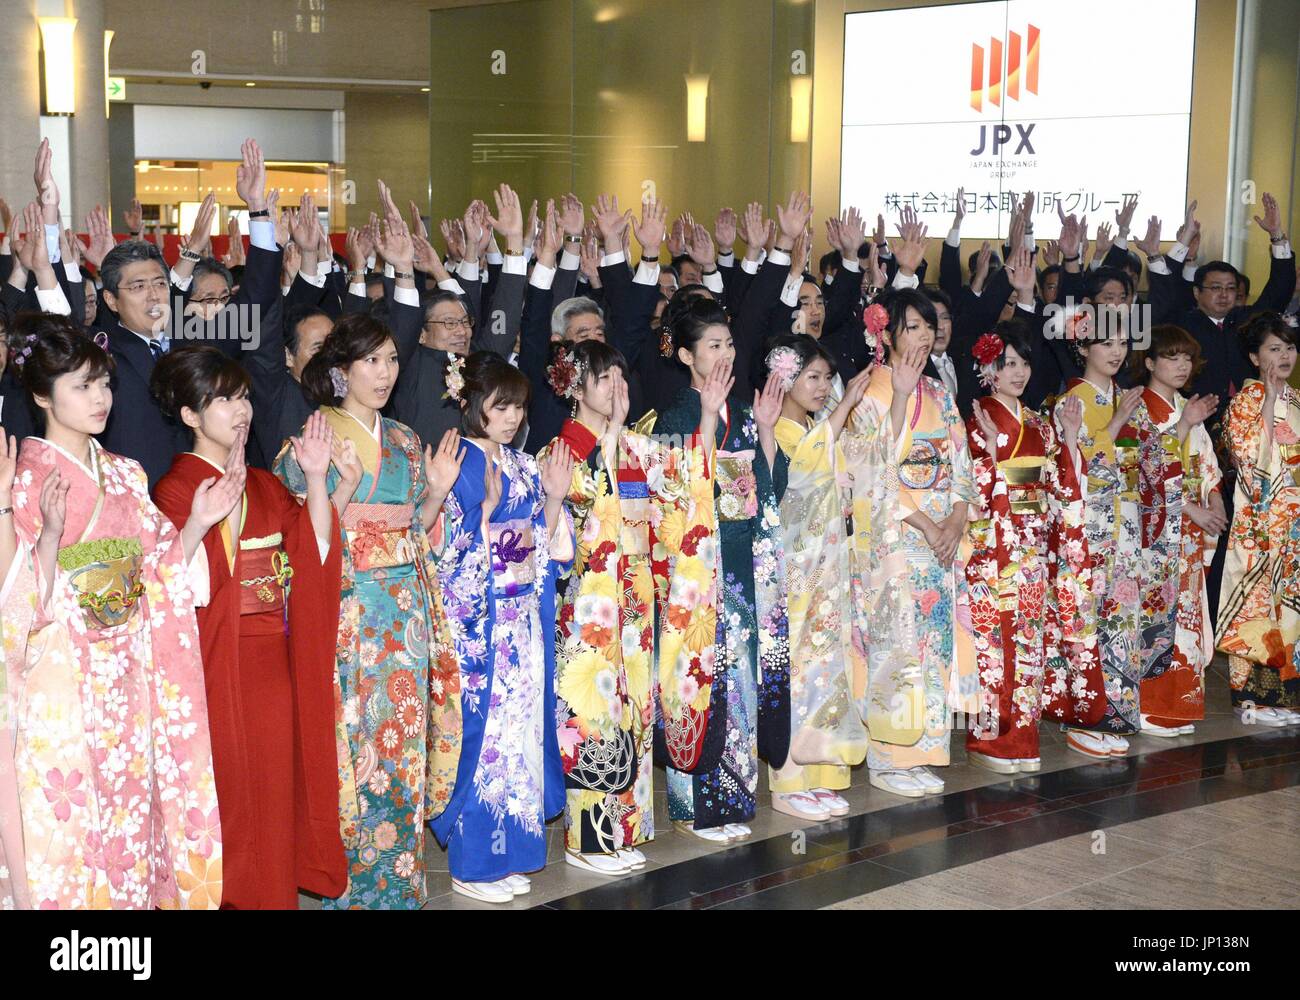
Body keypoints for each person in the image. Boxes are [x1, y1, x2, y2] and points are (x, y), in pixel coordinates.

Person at [0, 315, 237, 909]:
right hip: (64, 679)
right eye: (81, 386)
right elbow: (17, 603)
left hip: (131, 672)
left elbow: (159, 570)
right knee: (73, 817)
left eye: (103, 383)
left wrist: (200, 523)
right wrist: (50, 538)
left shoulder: (127, 473)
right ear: (40, 394)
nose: (100, 397)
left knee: (133, 811)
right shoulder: (22, 481)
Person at [275, 313, 462, 909]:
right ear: (339, 372)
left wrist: (433, 491)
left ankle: (401, 891)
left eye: (391, 361)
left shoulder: (406, 439)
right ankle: (349, 893)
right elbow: (303, 542)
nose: (384, 374)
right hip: (347, 612)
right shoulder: (310, 444)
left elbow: (418, 530)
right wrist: (342, 492)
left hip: (405, 617)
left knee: (403, 748)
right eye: (370, 362)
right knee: (354, 752)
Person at [151, 347, 347, 908]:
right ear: (189, 415)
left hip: (272, 660)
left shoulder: (262, 484)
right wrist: (198, 522)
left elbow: (310, 553)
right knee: (228, 794)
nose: (240, 410)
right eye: (221, 400)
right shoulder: (173, 490)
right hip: (215, 659)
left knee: (272, 791)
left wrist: (314, 477)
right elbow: (165, 583)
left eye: (241, 397)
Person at [544, 340, 714, 874]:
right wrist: (613, 433)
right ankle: (588, 839)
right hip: (589, 607)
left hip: (635, 600)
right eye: (603, 378)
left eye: (621, 374)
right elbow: (582, 516)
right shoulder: (562, 448)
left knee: (634, 711)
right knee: (594, 713)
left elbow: (690, 485)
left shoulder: (640, 446)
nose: (617, 386)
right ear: (576, 388)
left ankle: (623, 829)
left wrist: (708, 415)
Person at [428, 352, 576, 903]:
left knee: (517, 739)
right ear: (469, 404)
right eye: (501, 406)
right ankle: (472, 864)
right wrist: (483, 516)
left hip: (521, 624)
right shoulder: (455, 459)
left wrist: (555, 496)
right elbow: (438, 550)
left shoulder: (522, 464)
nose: (512, 418)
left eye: (519, 407)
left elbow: (546, 547)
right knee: (482, 739)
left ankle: (510, 854)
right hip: (478, 626)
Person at [646, 299, 789, 842]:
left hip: (744, 565)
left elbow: (768, 490)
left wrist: (769, 434)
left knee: (741, 686)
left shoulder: (748, 413)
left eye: (729, 343)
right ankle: (693, 806)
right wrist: (707, 417)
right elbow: (677, 494)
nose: (726, 353)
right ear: (685, 355)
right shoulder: (674, 415)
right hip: (700, 572)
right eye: (713, 345)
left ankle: (732, 799)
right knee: (701, 682)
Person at [842, 289, 978, 798]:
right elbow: (872, 471)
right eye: (914, 326)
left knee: (933, 646)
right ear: (886, 333)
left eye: (930, 325)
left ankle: (922, 749)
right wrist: (927, 524)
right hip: (896, 539)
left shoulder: (941, 392)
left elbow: (960, 461)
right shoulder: (868, 394)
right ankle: (888, 755)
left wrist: (956, 519)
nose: (926, 334)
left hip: (940, 538)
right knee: (894, 646)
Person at [961, 322, 1101, 773]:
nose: (1018, 373)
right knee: (995, 640)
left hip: (1033, 546)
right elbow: (971, 486)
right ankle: (993, 739)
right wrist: (997, 462)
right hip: (995, 544)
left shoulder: (1039, 421)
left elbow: (1061, 484)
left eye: (1023, 363)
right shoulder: (976, 419)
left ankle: (1023, 736)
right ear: (989, 370)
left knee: (1028, 642)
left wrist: (1072, 436)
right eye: (1008, 364)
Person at [760, 336, 870, 820]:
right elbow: (798, 474)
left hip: (826, 568)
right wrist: (844, 407)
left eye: (828, 378)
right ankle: (787, 780)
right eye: (813, 377)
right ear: (784, 379)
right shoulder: (777, 429)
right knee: (796, 670)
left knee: (827, 669)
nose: (824, 387)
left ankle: (821, 771)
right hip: (792, 570)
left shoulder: (813, 427)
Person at [1055, 316, 1156, 756]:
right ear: (1083, 349)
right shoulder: (1070, 401)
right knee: (1090, 620)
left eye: (1122, 343)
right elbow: (1076, 467)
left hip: (1126, 524)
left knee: (1123, 621)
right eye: (1105, 343)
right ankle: (1083, 716)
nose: (1116, 352)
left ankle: (1116, 715)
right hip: (1092, 528)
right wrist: (1115, 423)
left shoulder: (1125, 397)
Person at [1128, 326, 1224, 737]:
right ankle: (1150, 705)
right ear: (1149, 362)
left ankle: (1179, 702)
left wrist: (1216, 502)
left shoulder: (1188, 405)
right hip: (1156, 528)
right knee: (1156, 611)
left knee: (1185, 615)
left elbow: (1206, 466)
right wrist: (1191, 508)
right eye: (1171, 357)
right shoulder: (1136, 407)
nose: (1182, 365)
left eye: (1187, 357)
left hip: (1188, 529)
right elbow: (1144, 470)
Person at [1216, 313, 1300, 724]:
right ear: (1254, 357)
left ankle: (1283, 697)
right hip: (1261, 523)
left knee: (1291, 607)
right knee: (1256, 605)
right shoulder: (1245, 402)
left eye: (1289, 347)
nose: (1284, 355)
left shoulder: (1299, 400)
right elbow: (1250, 459)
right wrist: (1267, 398)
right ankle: (1251, 698)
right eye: (1273, 348)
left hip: (1296, 525)